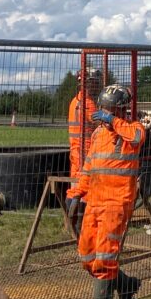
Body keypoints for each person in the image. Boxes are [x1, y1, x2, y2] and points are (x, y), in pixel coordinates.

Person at [72, 83, 146, 299]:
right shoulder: (97, 136)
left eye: (109, 109)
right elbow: (89, 167)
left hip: (116, 203)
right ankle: (126, 285)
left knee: (104, 258)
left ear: (120, 111)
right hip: (94, 201)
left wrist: (113, 120)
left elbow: (137, 137)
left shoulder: (132, 129)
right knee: (87, 256)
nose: (103, 114)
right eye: (103, 109)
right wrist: (77, 193)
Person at [65, 69, 104, 226]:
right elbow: (99, 121)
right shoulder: (88, 103)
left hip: (77, 150)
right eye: (94, 83)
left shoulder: (75, 101)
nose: (96, 86)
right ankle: (79, 223)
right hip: (85, 151)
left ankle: (72, 222)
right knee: (83, 187)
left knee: (75, 186)